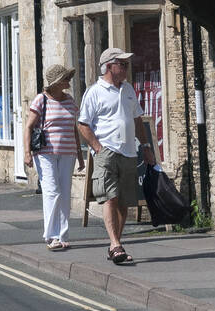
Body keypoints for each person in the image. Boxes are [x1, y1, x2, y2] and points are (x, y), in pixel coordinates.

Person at [77, 47, 156, 265]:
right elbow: (83, 123)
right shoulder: (95, 92)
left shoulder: (128, 89)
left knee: (124, 202)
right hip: (107, 152)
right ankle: (115, 243)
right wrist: (98, 148)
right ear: (110, 67)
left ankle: (115, 245)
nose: (127, 68)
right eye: (123, 64)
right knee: (110, 197)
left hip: (129, 151)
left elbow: (138, 120)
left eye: (127, 64)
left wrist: (146, 147)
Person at [24, 64, 85, 251]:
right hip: (45, 153)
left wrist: (80, 155)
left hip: (68, 153)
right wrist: (27, 153)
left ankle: (62, 235)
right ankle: (51, 236)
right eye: (66, 78)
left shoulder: (69, 101)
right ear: (56, 83)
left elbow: (73, 128)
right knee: (52, 192)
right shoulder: (40, 100)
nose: (68, 81)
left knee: (65, 193)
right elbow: (28, 127)